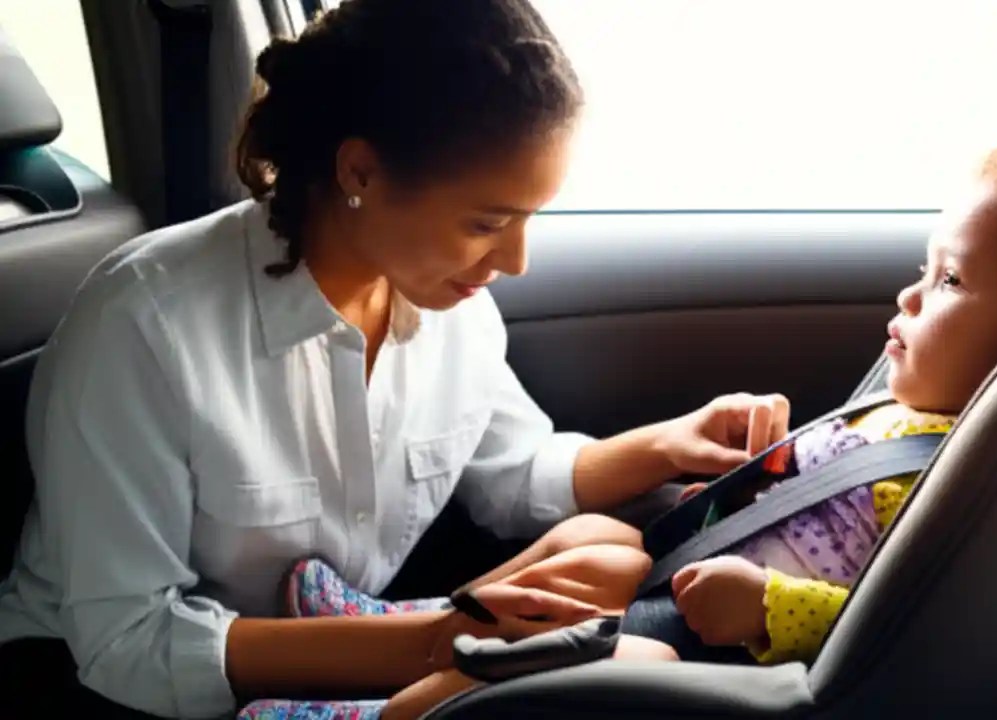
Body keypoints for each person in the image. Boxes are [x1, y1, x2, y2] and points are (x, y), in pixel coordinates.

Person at [252, 101, 997, 718]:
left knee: (542, 661)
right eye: (919, 267)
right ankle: (406, 624)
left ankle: (386, 709)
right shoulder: (906, 418)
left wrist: (764, 608)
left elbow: (896, 623)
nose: (906, 298)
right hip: (686, 587)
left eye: (947, 283)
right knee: (599, 539)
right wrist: (718, 473)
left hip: (719, 650)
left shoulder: (982, 483)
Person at [0, 1, 793, 717]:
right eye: (487, 224)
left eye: (526, 222)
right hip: (113, 685)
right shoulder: (147, 324)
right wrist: (437, 642)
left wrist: (671, 444)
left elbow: (512, 476)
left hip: (339, 634)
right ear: (359, 173)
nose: (514, 261)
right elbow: (127, 643)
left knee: (606, 551)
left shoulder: (447, 309)